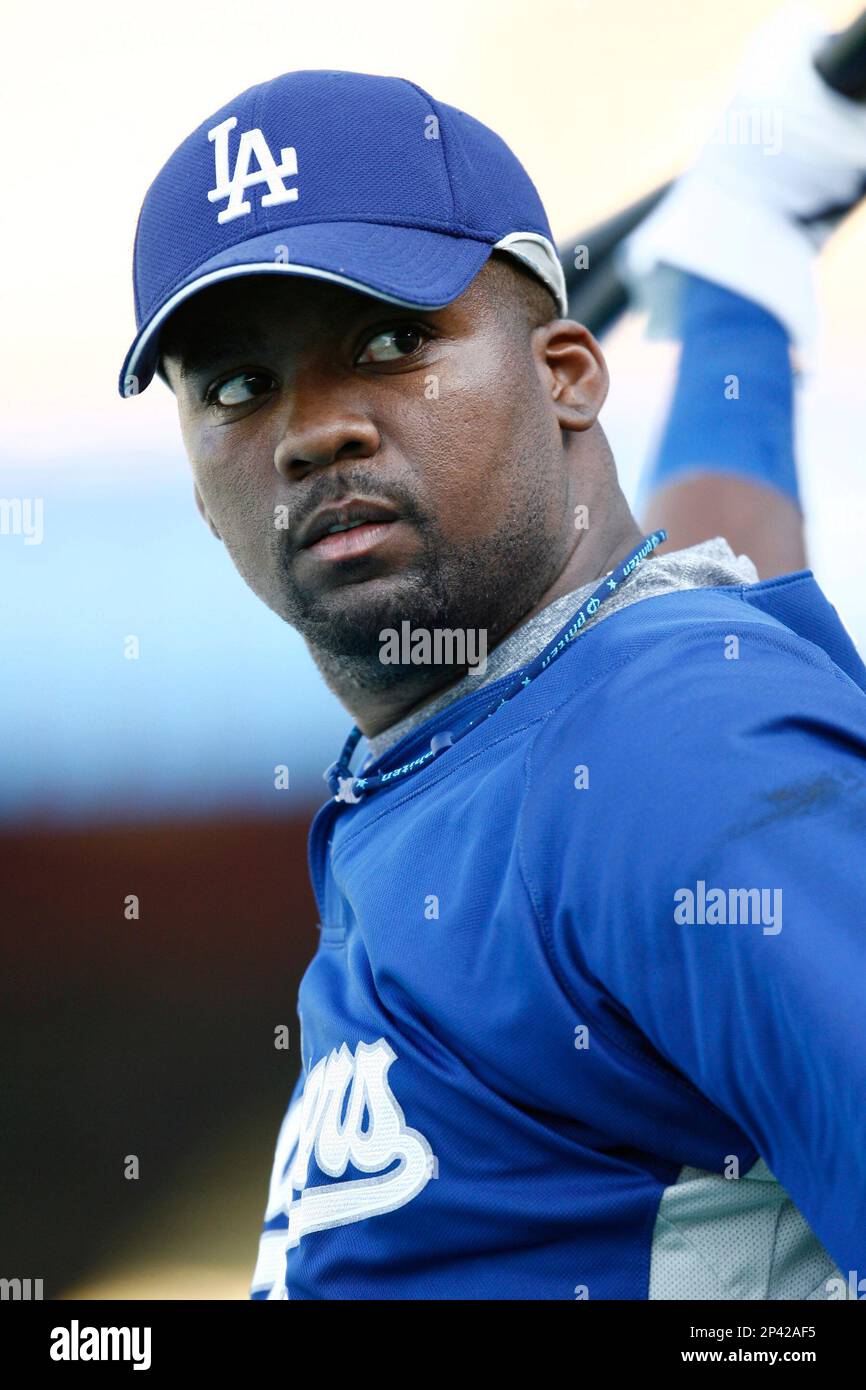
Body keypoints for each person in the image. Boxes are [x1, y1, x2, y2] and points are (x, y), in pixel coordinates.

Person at [120, 15, 866, 1301]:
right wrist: (739, 276)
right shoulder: (586, 714)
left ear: (569, 374)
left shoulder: (677, 747)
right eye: (238, 387)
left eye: (390, 342)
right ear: (196, 487)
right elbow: (688, 608)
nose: (314, 433)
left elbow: (688, 757)